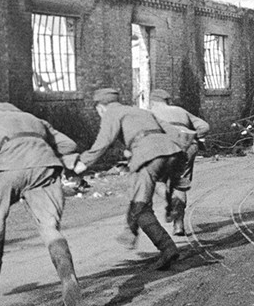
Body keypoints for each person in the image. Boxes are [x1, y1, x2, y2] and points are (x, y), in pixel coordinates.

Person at [0, 102, 82, 306]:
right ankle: (67, 275)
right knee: (49, 226)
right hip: (44, 167)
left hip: (6, 167)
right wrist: (43, 153)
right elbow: (69, 144)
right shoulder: (37, 121)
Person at [73, 87, 185, 270]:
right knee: (141, 188)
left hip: (148, 155)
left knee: (140, 208)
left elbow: (103, 143)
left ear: (101, 107)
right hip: (172, 151)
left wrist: (82, 164)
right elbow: (174, 132)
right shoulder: (140, 111)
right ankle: (168, 203)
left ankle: (167, 248)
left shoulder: (112, 113)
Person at [148, 88, 210, 236]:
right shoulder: (181, 111)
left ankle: (171, 202)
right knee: (180, 185)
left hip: (162, 148)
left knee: (155, 180)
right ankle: (178, 226)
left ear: (152, 102)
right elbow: (204, 126)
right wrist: (193, 136)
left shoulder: (150, 113)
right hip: (187, 147)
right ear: (168, 102)